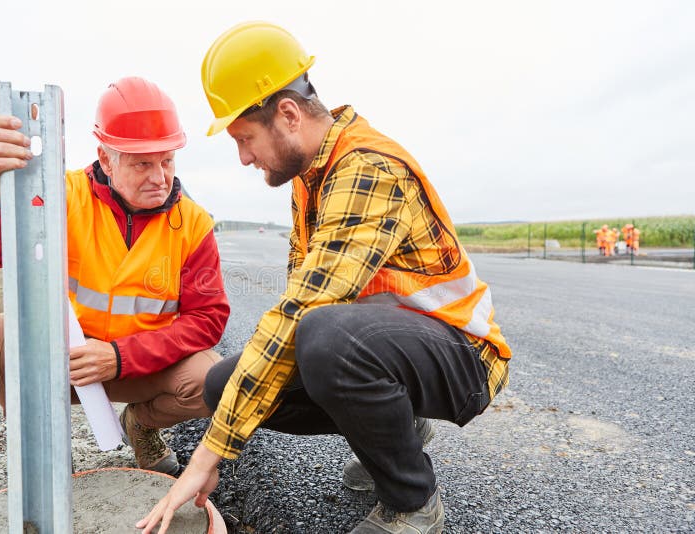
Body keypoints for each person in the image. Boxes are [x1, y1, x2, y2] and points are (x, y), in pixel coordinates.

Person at [138, 22, 512, 534]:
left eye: (245, 138)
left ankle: (412, 505)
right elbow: (299, 305)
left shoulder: (366, 168)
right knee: (228, 379)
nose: (244, 157)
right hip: (395, 347)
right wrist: (231, 416)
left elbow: (306, 312)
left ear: (287, 115)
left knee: (323, 337)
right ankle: (400, 424)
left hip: (462, 355)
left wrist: (209, 454)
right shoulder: (310, 178)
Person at [0, 77, 230, 475]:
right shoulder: (59, 195)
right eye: (141, 163)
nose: (159, 177)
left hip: (140, 367)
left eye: (167, 160)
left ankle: (142, 425)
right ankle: (37, 443)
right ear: (105, 156)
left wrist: (119, 358)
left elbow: (208, 319)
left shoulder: (193, 224)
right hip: (64, 364)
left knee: (213, 379)